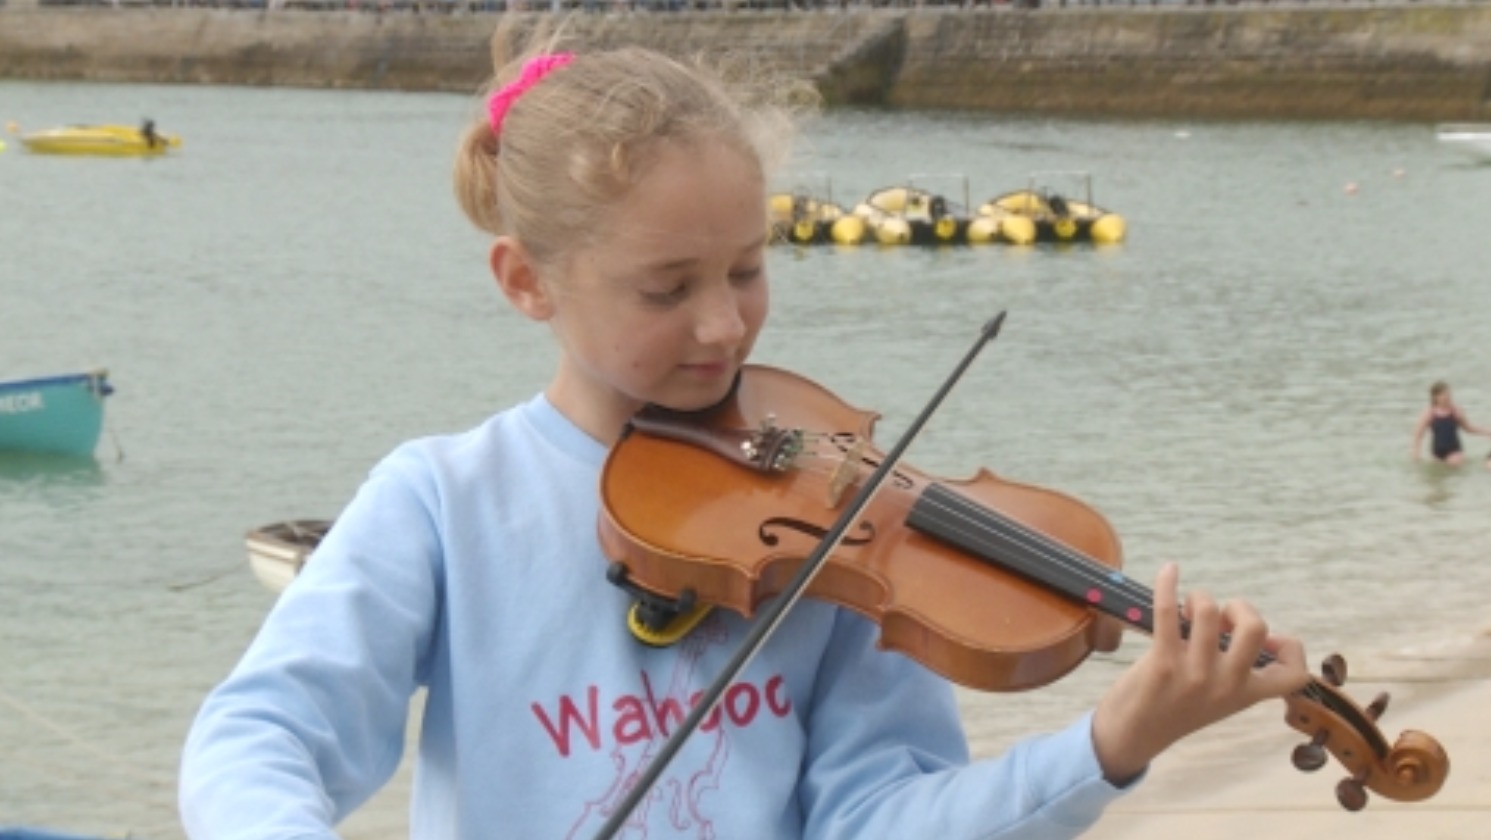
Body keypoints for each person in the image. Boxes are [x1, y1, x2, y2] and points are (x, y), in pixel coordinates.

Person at [178, 41, 1310, 839]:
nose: (723, 324)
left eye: (748, 269)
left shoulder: (842, 521)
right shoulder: (442, 501)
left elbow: (883, 822)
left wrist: (1110, 741)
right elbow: (261, 737)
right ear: (527, 280)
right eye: (668, 287)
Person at [1411, 380, 1491, 467]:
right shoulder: (1429, 413)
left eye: (1448, 395)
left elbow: (1468, 428)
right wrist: (1416, 454)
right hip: (1437, 452)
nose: (1447, 398)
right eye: (1444, 395)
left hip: (1454, 450)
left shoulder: (1455, 411)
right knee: (1437, 475)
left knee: (1454, 468)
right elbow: (1418, 435)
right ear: (1435, 397)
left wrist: (1486, 431)